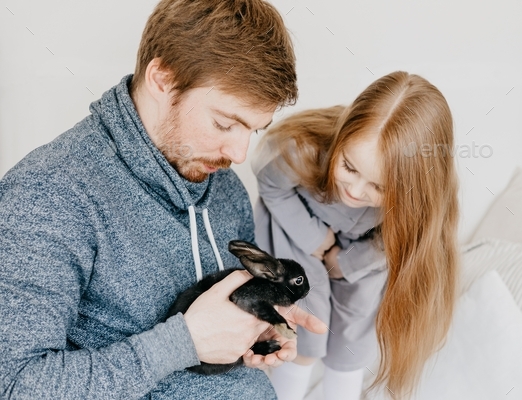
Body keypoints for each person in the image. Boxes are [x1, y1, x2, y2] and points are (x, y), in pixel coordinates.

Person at [0, 0, 326, 399]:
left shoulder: (224, 187)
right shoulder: (50, 194)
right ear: (162, 78)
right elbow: (16, 385)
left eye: (253, 131)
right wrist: (182, 342)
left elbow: (219, 324)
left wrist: (255, 331)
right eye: (224, 123)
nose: (239, 154)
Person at [252, 71, 460, 399]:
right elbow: (272, 187)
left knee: (357, 320)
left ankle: (343, 386)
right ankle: (288, 384)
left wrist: (345, 263)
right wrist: (316, 239)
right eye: (349, 168)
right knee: (308, 311)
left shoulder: (417, 205)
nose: (356, 191)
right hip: (298, 225)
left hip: (363, 247)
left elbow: (394, 242)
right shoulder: (304, 149)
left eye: (378, 187)